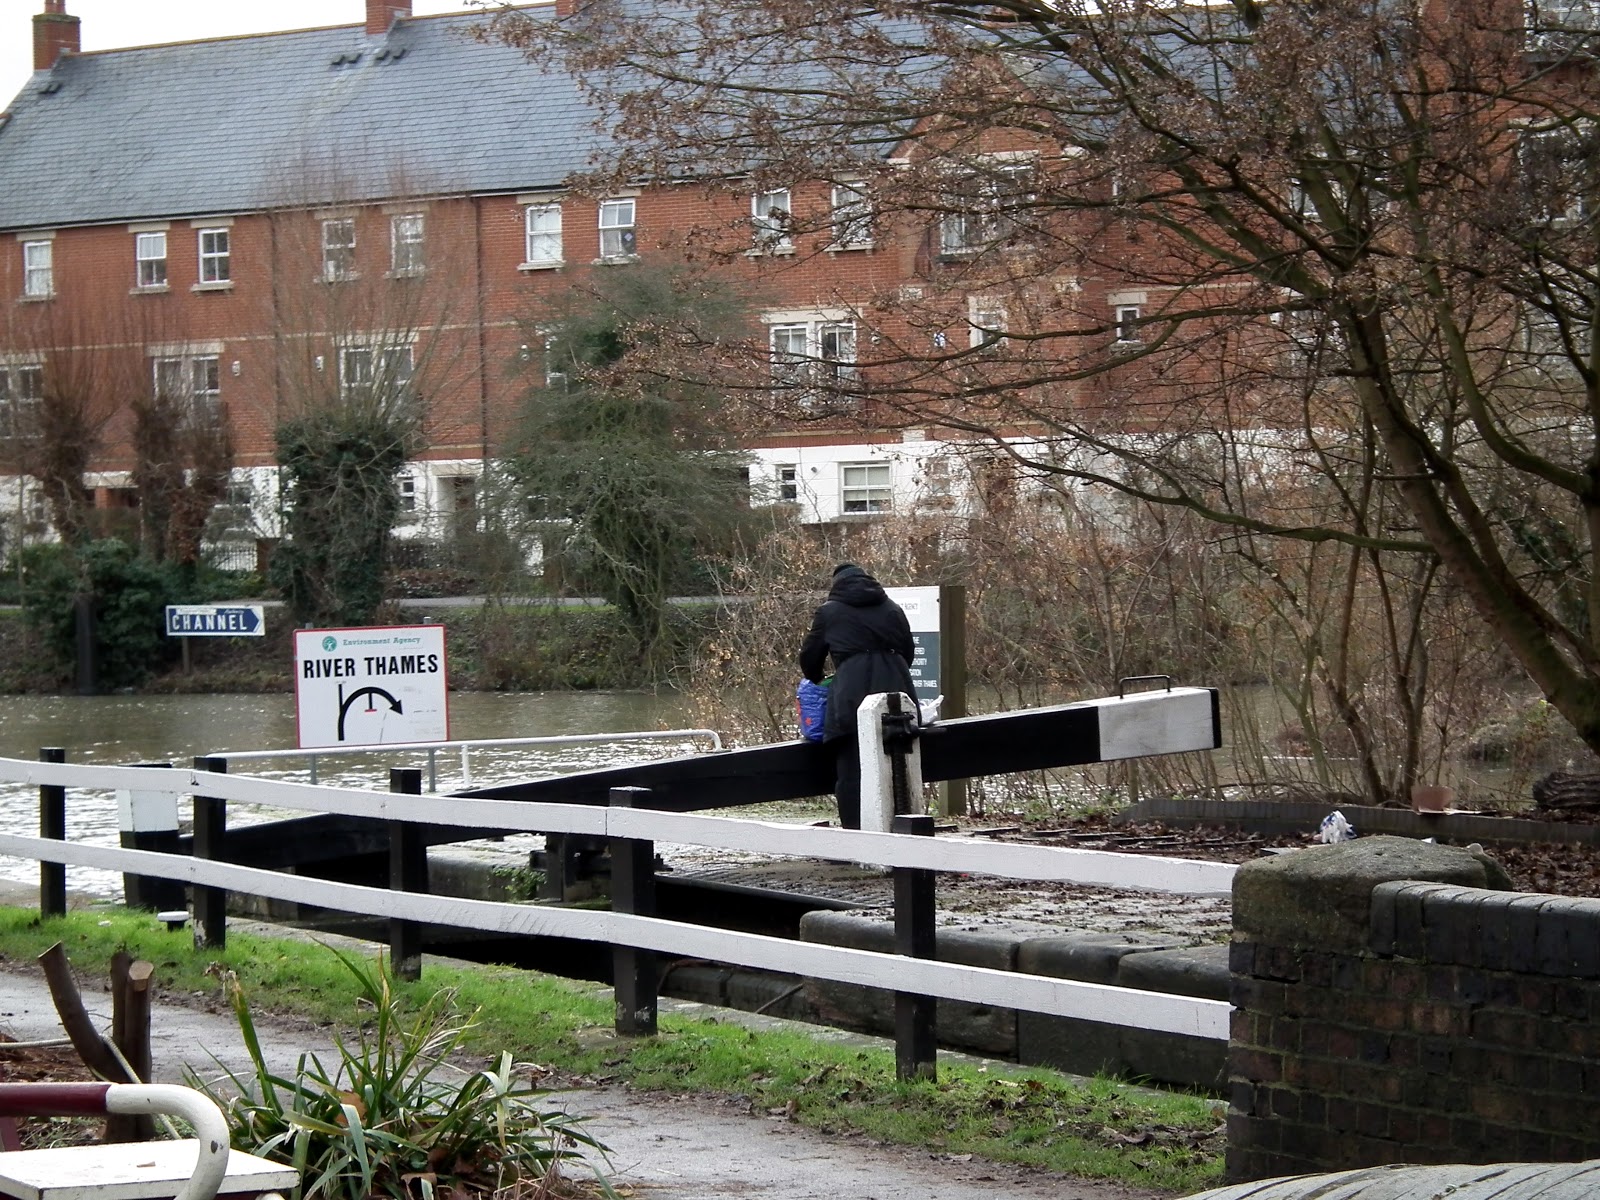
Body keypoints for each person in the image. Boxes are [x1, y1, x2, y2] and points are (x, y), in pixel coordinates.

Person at [798, 563, 917, 829]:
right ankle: (903, 827)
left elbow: (810, 658)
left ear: (836, 585)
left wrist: (821, 678)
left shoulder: (830, 612)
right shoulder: (892, 609)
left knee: (851, 767)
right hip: (897, 689)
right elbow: (908, 652)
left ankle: (856, 834)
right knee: (900, 759)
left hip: (851, 694)